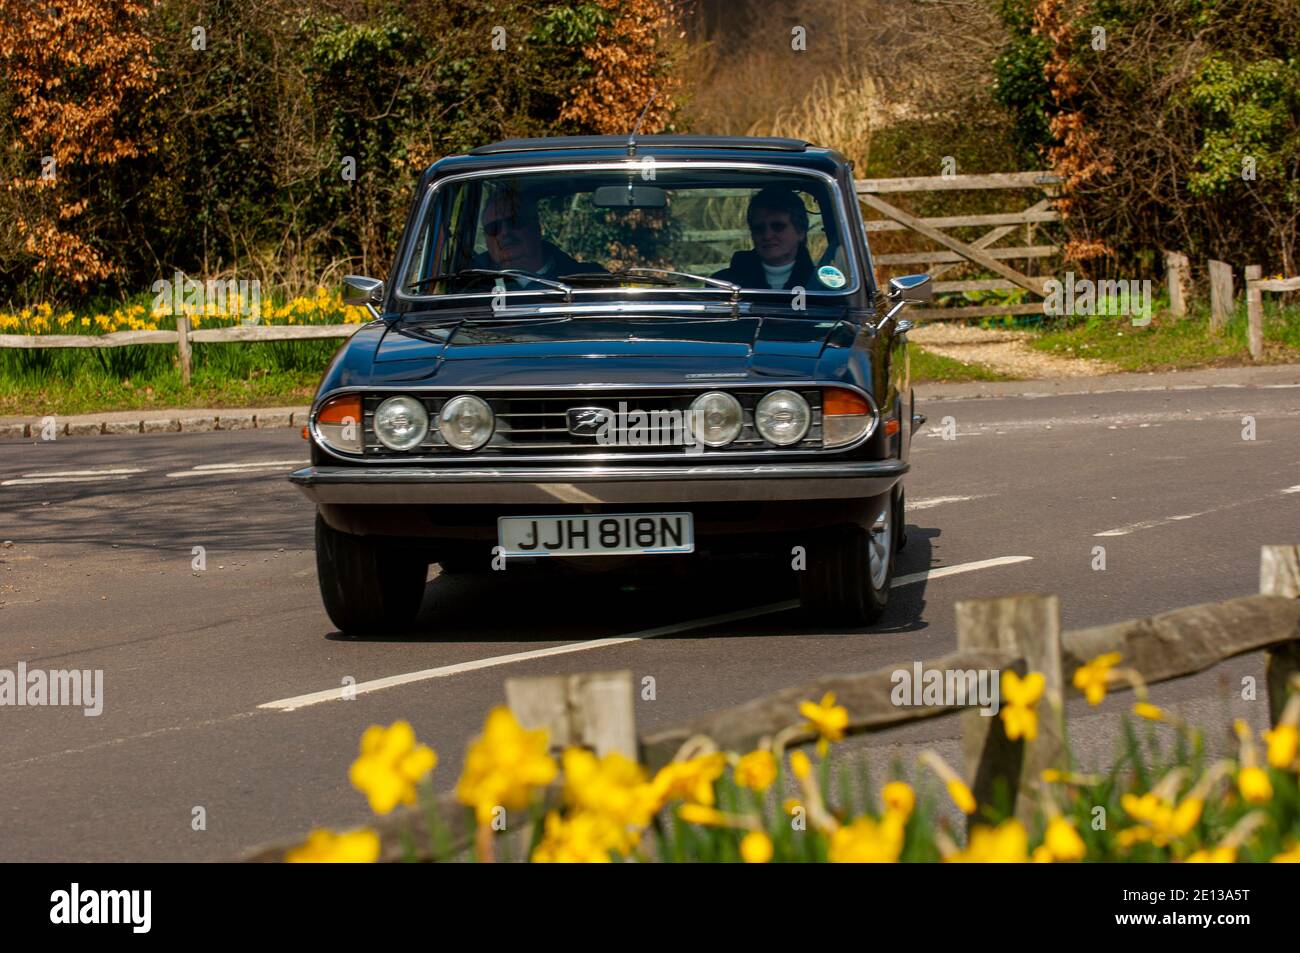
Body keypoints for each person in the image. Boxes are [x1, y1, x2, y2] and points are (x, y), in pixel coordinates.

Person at [471, 189, 603, 282]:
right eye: (494, 228)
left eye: (514, 222)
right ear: (486, 238)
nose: (505, 232)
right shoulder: (470, 285)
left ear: (538, 228)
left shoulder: (588, 280)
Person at [712, 187, 824, 290]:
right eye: (759, 228)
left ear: (800, 232)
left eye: (778, 227)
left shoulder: (822, 286)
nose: (767, 235)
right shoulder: (722, 284)